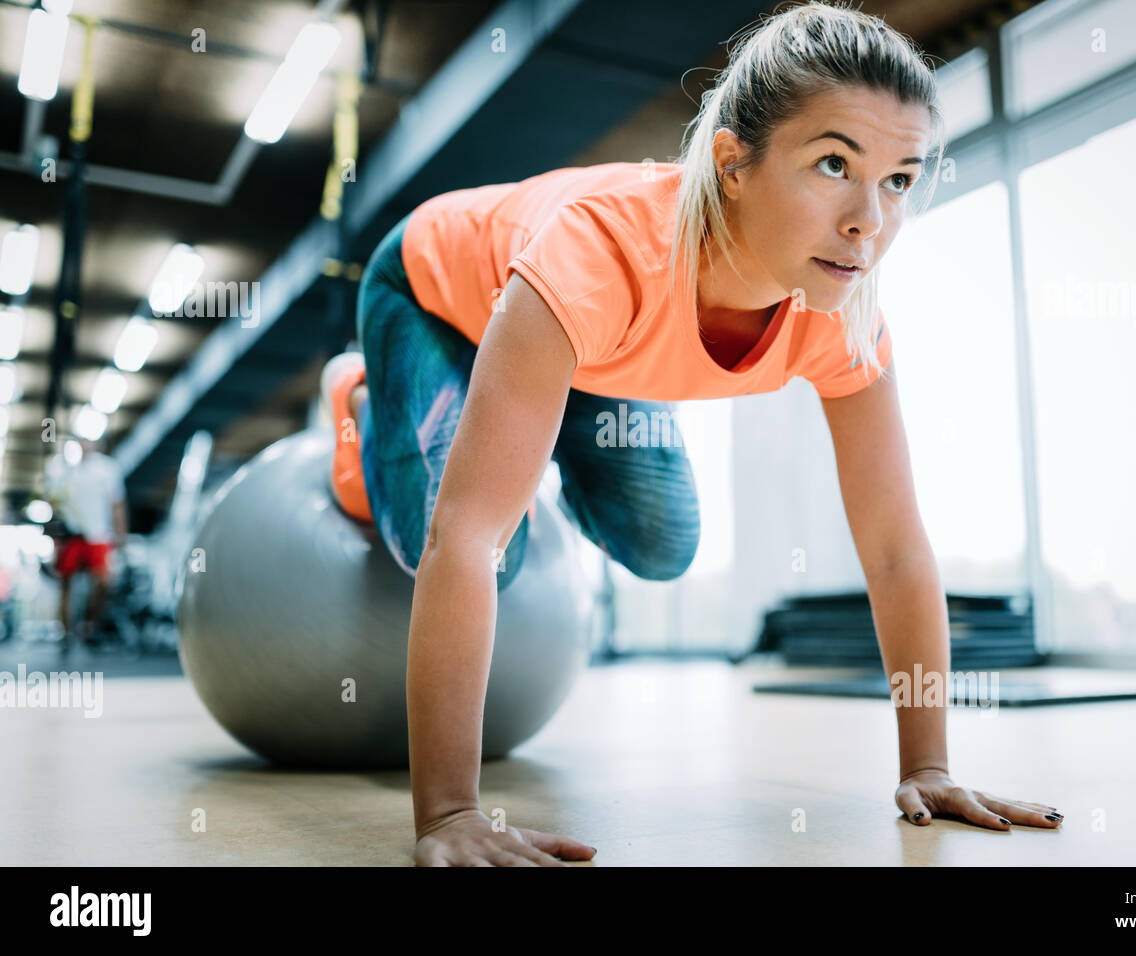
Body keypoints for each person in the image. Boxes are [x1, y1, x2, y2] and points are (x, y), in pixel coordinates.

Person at [321, 1, 1062, 866]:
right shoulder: (598, 255)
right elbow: (470, 535)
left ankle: (536, 409)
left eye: (900, 178)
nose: (870, 221)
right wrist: (450, 814)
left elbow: (895, 547)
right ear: (732, 163)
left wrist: (928, 764)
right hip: (433, 295)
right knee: (490, 545)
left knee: (665, 544)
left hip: (588, 348)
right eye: (833, 163)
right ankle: (369, 400)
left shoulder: (845, 312)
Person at [41, 436, 128, 651]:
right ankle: (65, 633)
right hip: (70, 536)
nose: (85, 445)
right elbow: (52, 505)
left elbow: (117, 504)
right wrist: (55, 538)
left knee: (103, 583)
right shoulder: (59, 468)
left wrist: (120, 533)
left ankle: (89, 625)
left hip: (97, 534)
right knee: (65, 584)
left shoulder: (107, 469)